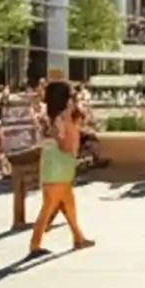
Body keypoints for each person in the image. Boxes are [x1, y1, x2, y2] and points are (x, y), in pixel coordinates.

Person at [28, 81, 95, 257]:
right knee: (49, 206)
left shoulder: (60, 117)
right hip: (57, 167)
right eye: (71, 96)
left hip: (58, 167)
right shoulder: (58, 119)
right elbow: (65, 146)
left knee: (68, 204)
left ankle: (78, 237)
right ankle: (35, 244)